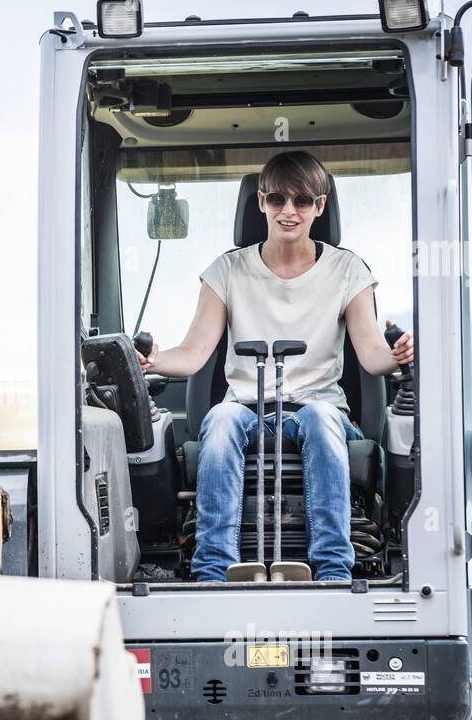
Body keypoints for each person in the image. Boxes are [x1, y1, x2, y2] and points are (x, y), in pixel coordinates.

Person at [137, 151, 414, 582]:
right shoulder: (227, 270)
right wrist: (151, 359)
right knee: (221, 420)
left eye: (302, 200)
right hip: (246, 408)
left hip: (319, 408)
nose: (289, 211)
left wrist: (399, 354)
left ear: (319, 206)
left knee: (321, 418)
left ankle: (333, 571)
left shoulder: (348, 270)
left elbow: (373, 354)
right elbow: (193, 353)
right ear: (261, 202)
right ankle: (213, 571)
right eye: (277, 199)